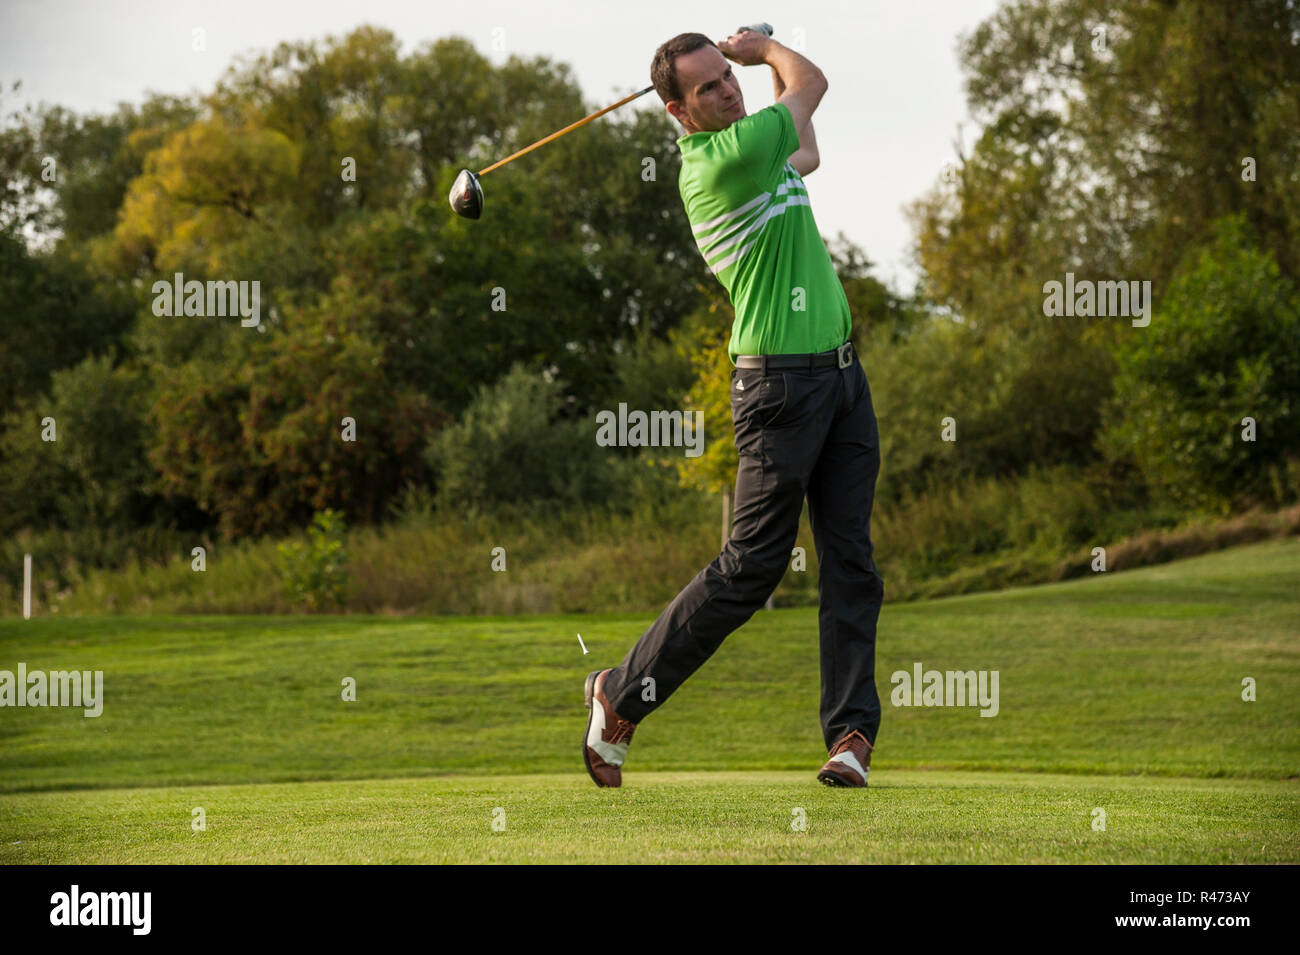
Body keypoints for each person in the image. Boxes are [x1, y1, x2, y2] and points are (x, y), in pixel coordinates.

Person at [583, 28, 884, 789]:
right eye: (710, 87)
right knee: (751, 566)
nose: (729, 88)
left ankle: (850, 736)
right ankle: (620, 694)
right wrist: (762, 49)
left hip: (842, 378)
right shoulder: (720, 161)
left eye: (728, 76)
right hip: (780, 387)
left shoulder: (758, 151)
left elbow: (804, 148)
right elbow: (810, 85)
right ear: (680, 114)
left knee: (850, 559)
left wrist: (758, 69)